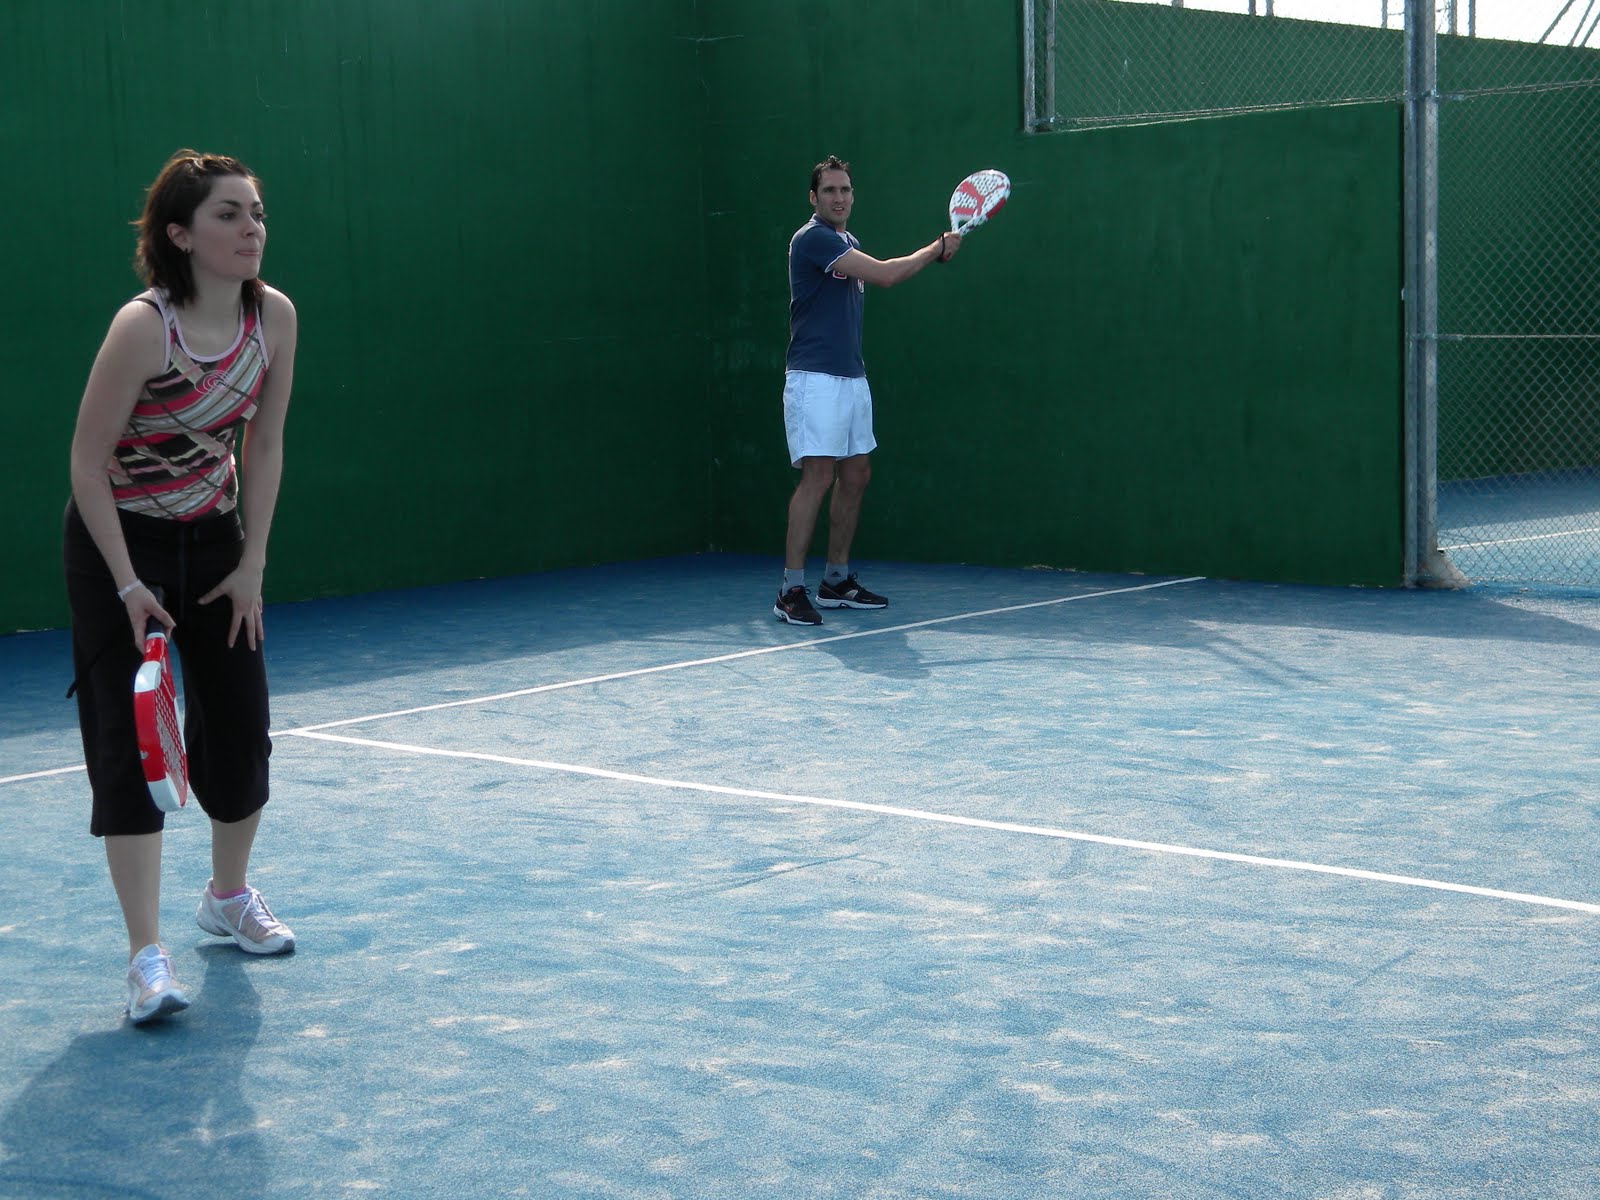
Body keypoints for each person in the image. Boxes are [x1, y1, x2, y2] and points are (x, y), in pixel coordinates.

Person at [64, 150, 299, 1025]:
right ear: (180, 234)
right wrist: (127, 585)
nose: (252, 230)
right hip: (118, 550)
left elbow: (264, 445)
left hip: (218, 544)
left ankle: (227, 897)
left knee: (239, 726)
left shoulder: (271, 317)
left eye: (257, 213)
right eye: (230, 215)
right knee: (128, 754)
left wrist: (252, 565)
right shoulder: (143, 328)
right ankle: (146, 957)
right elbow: (87, 467)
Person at [774, 154, 961, 626]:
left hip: (852, 379)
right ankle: (790, 589)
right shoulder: (813, 239)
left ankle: (836, 580)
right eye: (831, 191)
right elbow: (887, 274)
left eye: (846, 190)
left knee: (855, 475)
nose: (840, 198)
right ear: (814, 198)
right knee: (817, 477)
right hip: (814, 380)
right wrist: (937, 246)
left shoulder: (845, 240)